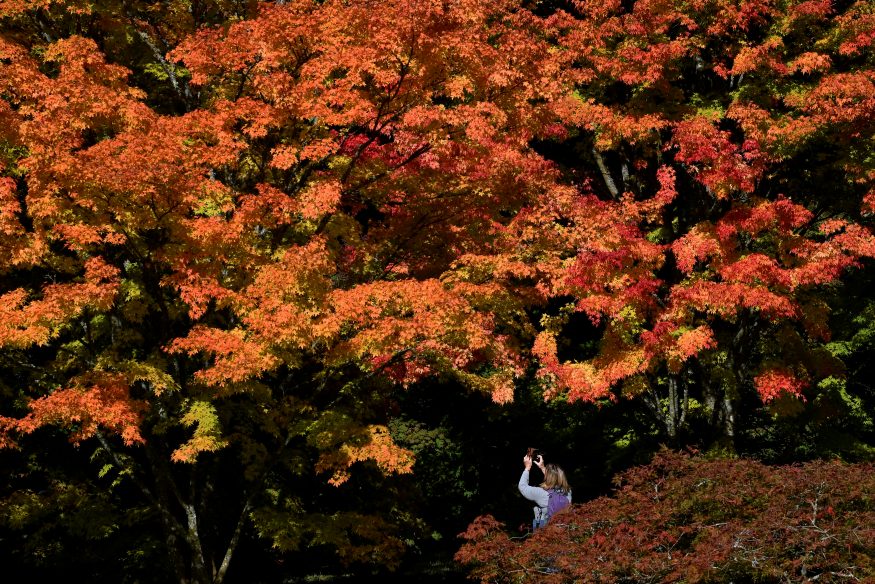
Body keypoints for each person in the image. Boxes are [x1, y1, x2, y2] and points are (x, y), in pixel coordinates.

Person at [518, 452, 572, 531]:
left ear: (548, 477)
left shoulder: (541, 493)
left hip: (547, 534)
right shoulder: (567, 491)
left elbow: (522, 487)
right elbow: (555, 481)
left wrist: (527, 467)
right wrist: (542, 467)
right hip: (564, 531)